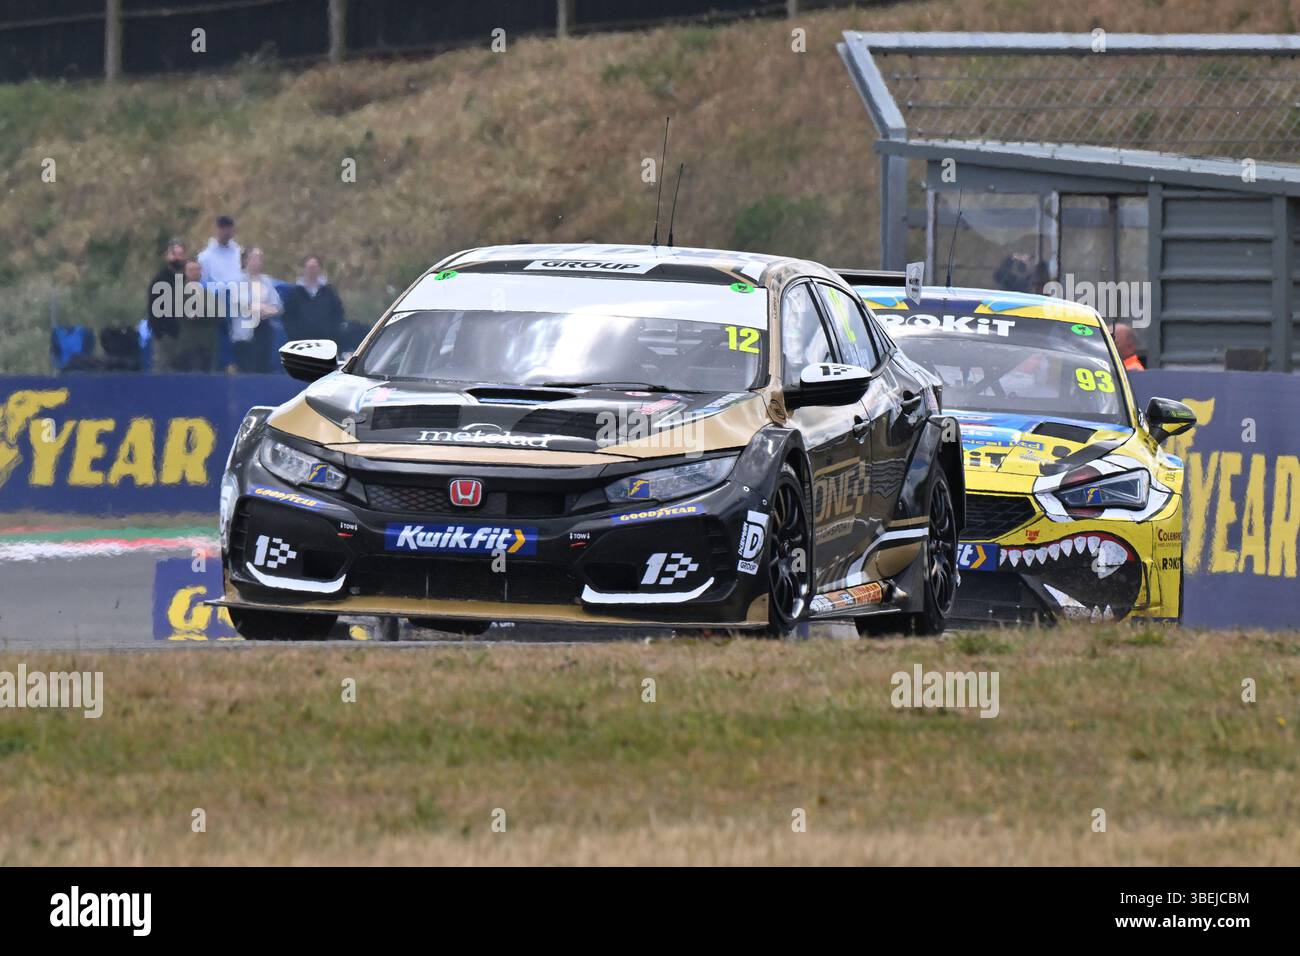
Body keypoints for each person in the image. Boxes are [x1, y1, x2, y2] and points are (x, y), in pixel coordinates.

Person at [229, 247, 283, 373]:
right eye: (253, 258)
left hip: (264, 332)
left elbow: (277, 306)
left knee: (262, 369)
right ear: (245, 261)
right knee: (246, 370)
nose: (256, 262)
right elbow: (242, 304)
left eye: (259, 258)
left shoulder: (267, 281)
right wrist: (261, 308)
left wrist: (265, 309)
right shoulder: (237, 282)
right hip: (245, 336)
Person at [282, 254, 347, 344]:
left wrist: (334, 333)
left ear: (319, 269)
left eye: (314, 267)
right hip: (301, 343)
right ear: (304, 269)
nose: (312, 270)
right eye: (309, 267)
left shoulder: (328, 291)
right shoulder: (295, 293)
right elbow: (287, 317)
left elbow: (338, 313)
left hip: (326, 342)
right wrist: (295, 336)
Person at [172, 258, 219, 372]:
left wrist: (202, 313)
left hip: (207, 346)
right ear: (185, 272)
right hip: (187, 346)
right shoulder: (178, 293)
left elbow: (218, 314)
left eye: (197, 269)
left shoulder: (208, 294)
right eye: (191, 269)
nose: (195, 272)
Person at [148, 238, 187, 372]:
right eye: (174, 254)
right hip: (164, 335)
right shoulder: (160, 279)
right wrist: (159, 332)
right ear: (167, 256)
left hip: (182, 336)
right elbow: (153, 310)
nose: (177, 258)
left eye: (180, 254)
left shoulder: (185, 279)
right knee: (162, 369)